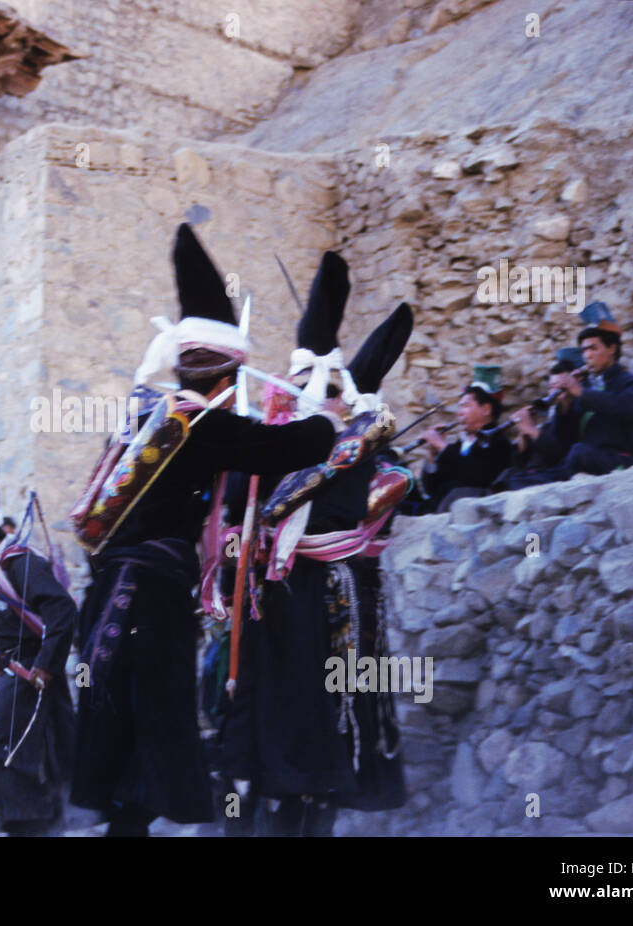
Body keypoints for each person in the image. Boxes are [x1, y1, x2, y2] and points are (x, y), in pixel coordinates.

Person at [69, 224, 343, 836]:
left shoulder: (151, 413)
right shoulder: (201, 424)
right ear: (229, 377)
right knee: (151, 713)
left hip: (117, 587)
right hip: (149, 594)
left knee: (130, 716)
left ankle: (125, 820)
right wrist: (323, 419)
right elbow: (283, 447)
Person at [216, 252, 411, 837]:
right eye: (297, 383)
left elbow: (357, 519)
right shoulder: (267, 440)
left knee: (320, 721)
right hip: (267, 599)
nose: (298, 393)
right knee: (248, 712)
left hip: (329, 599)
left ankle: (306, 809)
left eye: (312, 385)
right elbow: (234, 518)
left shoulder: (358, 448)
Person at [0, 515, 76, 836]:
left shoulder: (16, 561)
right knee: (45, 753)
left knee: (4, 752)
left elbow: (61, 608)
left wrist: (45, 666)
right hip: (22, 670)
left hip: (30, 669)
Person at [510, 318, 633, 484]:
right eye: (584, 350)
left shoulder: (629, 381)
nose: (587, 355)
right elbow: (565, 439)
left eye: (593, 348)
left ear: (612, 349)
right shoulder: (584, 386)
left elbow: (629, 407)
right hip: (582, 458)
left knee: (579, 452)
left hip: (618, 459)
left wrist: (582, 393)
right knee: (517, 480)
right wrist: (565, 405)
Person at [403, 380, 512, 514]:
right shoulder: (457, 446)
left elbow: (476, 477)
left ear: (486, 409)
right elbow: (432, 489)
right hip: (440, 508)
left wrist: (442, 446)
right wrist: (432, 455)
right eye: (459, 407)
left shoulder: (498, 442)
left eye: (465, 406)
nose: (459, 413)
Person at [499, 359, 580, 488]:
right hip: (533, 475)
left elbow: (562, 452)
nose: (554, 392)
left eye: (560, 387)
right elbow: (520, 462)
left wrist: (532, 430)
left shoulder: (577, 413)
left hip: (554, 477)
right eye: (552, 387)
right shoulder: (550, 420)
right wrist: (523, 433)